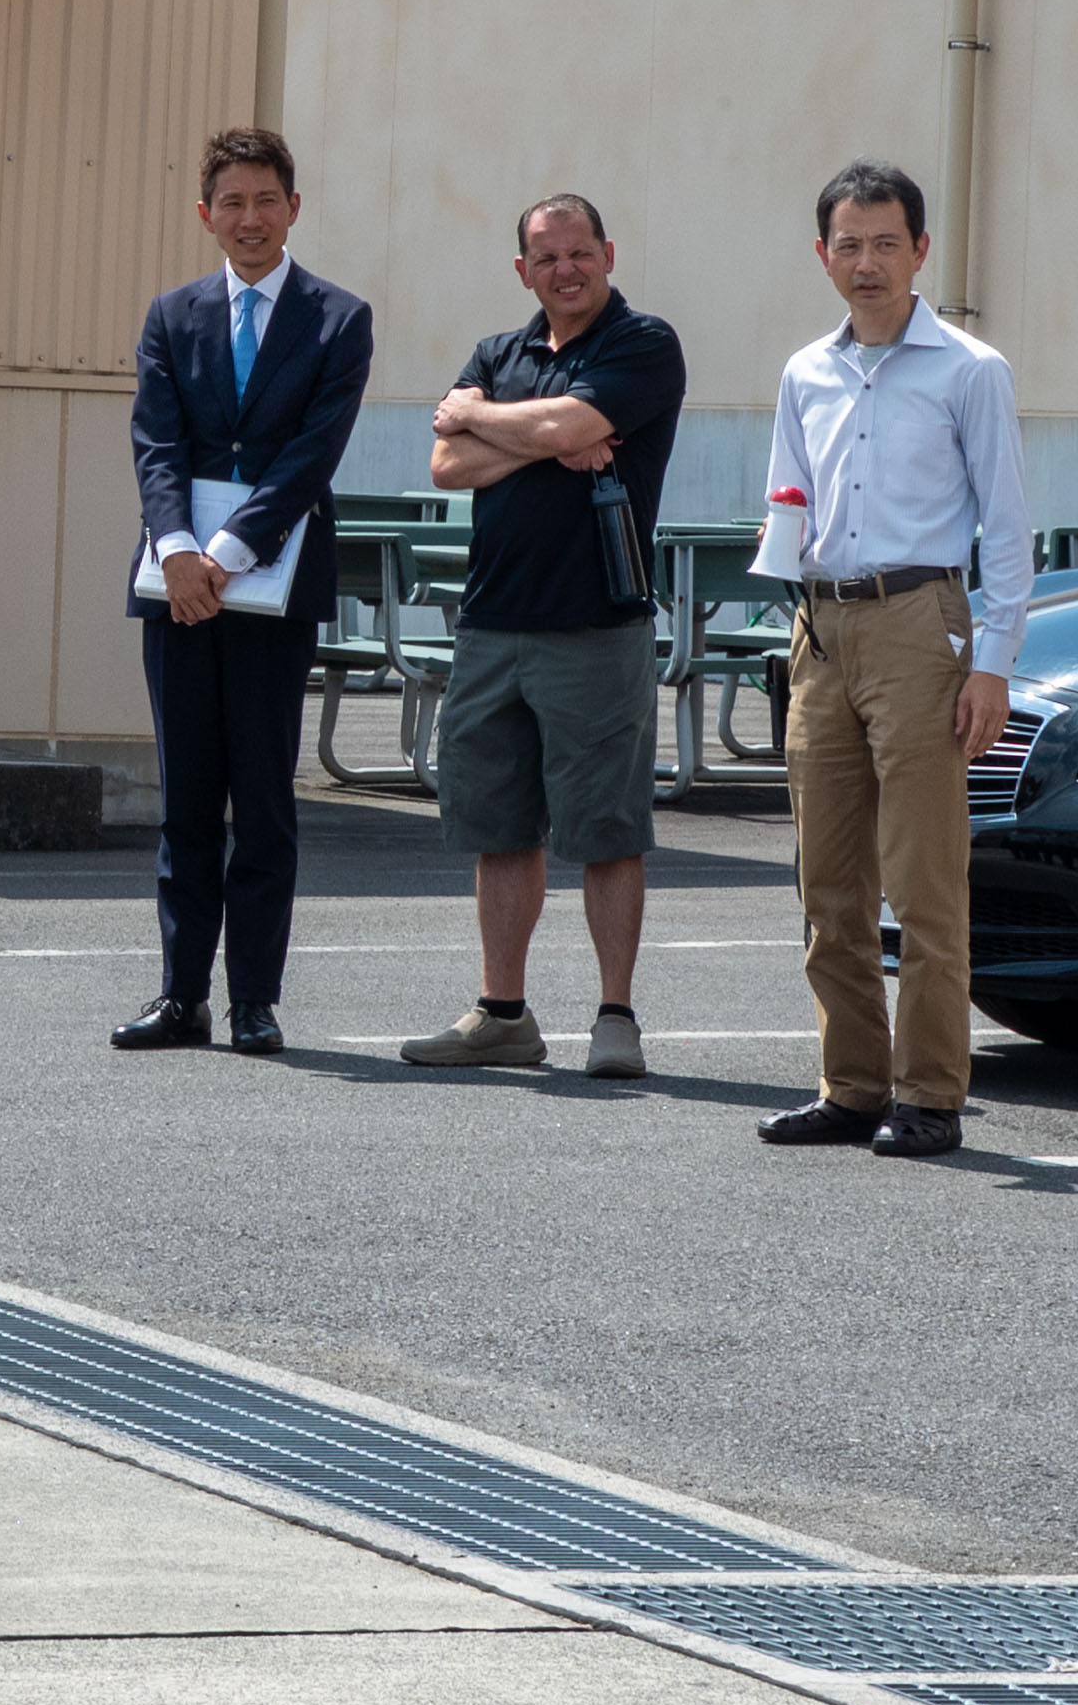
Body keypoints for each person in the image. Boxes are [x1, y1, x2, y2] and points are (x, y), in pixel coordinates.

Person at [751, 159, 1029, 1160]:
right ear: (821, 255)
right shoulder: (803, 372)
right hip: (821, 626)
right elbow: (789, 500)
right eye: (846, 244)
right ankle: (851, 1084)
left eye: (884, 243)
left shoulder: (968, 370)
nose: (864, 262)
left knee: (921, 880)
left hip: (922, 621)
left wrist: (990, 662)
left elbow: (1005, 531)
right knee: (824, 881)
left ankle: (928, 1093)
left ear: (920, 250)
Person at [406, 192, 684, 1079]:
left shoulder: (646, 344)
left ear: (609, 251)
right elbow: (447, 463)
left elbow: (543, 427)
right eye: (547, 258)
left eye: (580, 253)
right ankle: (502, 1015)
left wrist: (495, 419)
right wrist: (550, 435)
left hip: (598, 625)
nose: (566, 270)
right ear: (523, 270)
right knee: (499, 826)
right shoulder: (500, 351)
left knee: (606, 830)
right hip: (492, 623)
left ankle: (615, 1018)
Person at [112, 128, 370, 1059]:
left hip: (271, 583)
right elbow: (157, 443)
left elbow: (312, 451)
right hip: (174, 585)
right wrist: (179, 550)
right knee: (187, 796)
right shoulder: (171, 315)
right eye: (232, 202)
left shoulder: (338, 318)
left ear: (293, 208)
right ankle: (182, 997)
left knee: (262, 796)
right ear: (206, 214)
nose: (249, 219)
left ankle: (254, 998)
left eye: (266, 200)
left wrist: (226, 551)